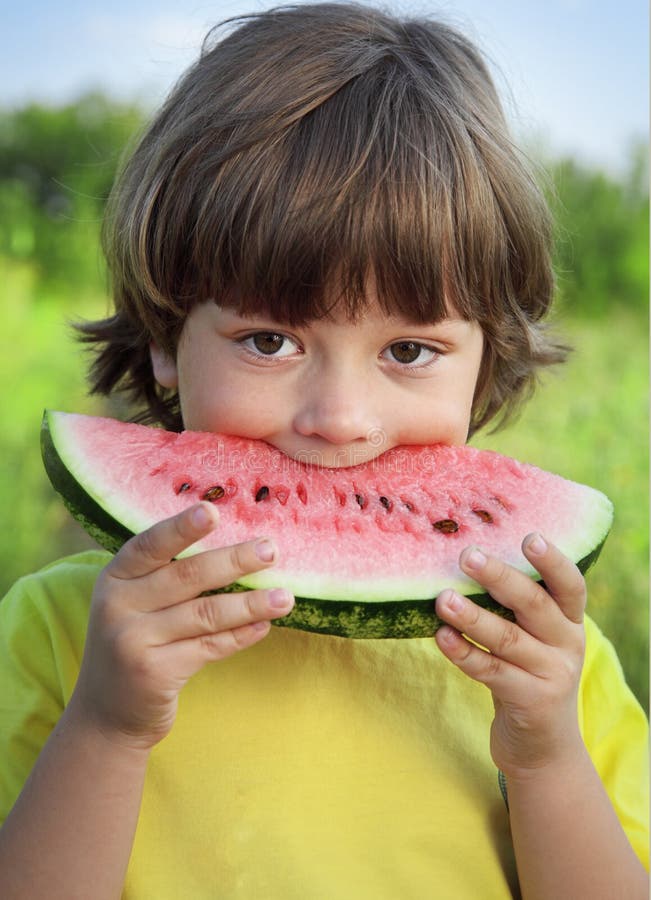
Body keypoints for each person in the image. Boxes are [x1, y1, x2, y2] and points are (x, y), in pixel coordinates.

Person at [0, 4, 647, 898]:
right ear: (161, 339)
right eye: (269, 341)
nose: (339, 418)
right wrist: (107, 727)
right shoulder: (60, 632)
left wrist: (545, 757)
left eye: (408, 351)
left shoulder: (548, 661)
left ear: (486, 360)